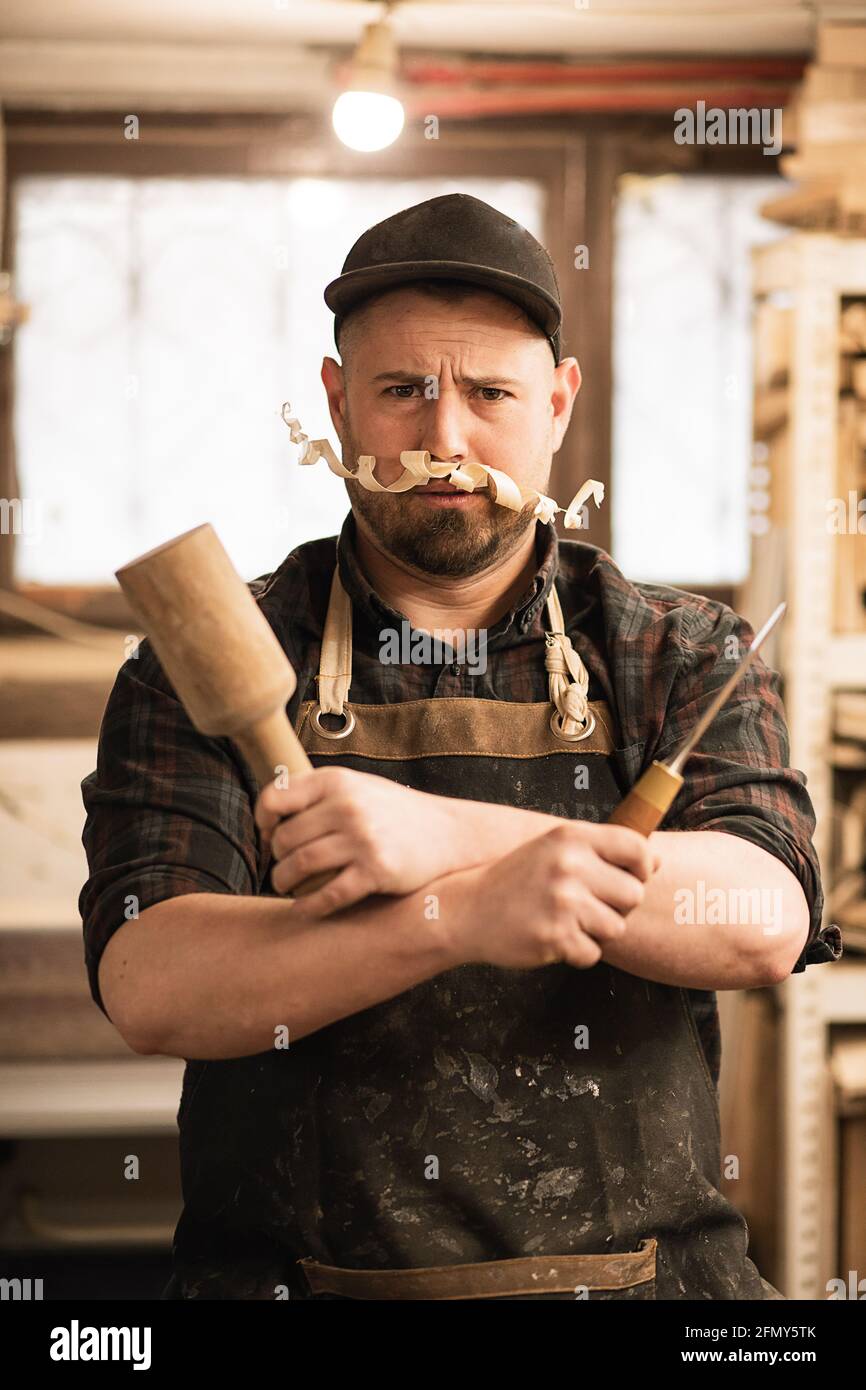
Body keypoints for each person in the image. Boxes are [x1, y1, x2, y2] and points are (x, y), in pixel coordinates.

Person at [79, 193, 841, 1301]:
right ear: (336, 403)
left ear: (556, 403)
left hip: (649, 1289)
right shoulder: (208, 660)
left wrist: (447, 836)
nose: (444, 440)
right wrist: (462, 919)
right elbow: (150, 980)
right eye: (401, 392)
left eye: (489, 394)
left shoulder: (673, 649)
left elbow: (762, 917)